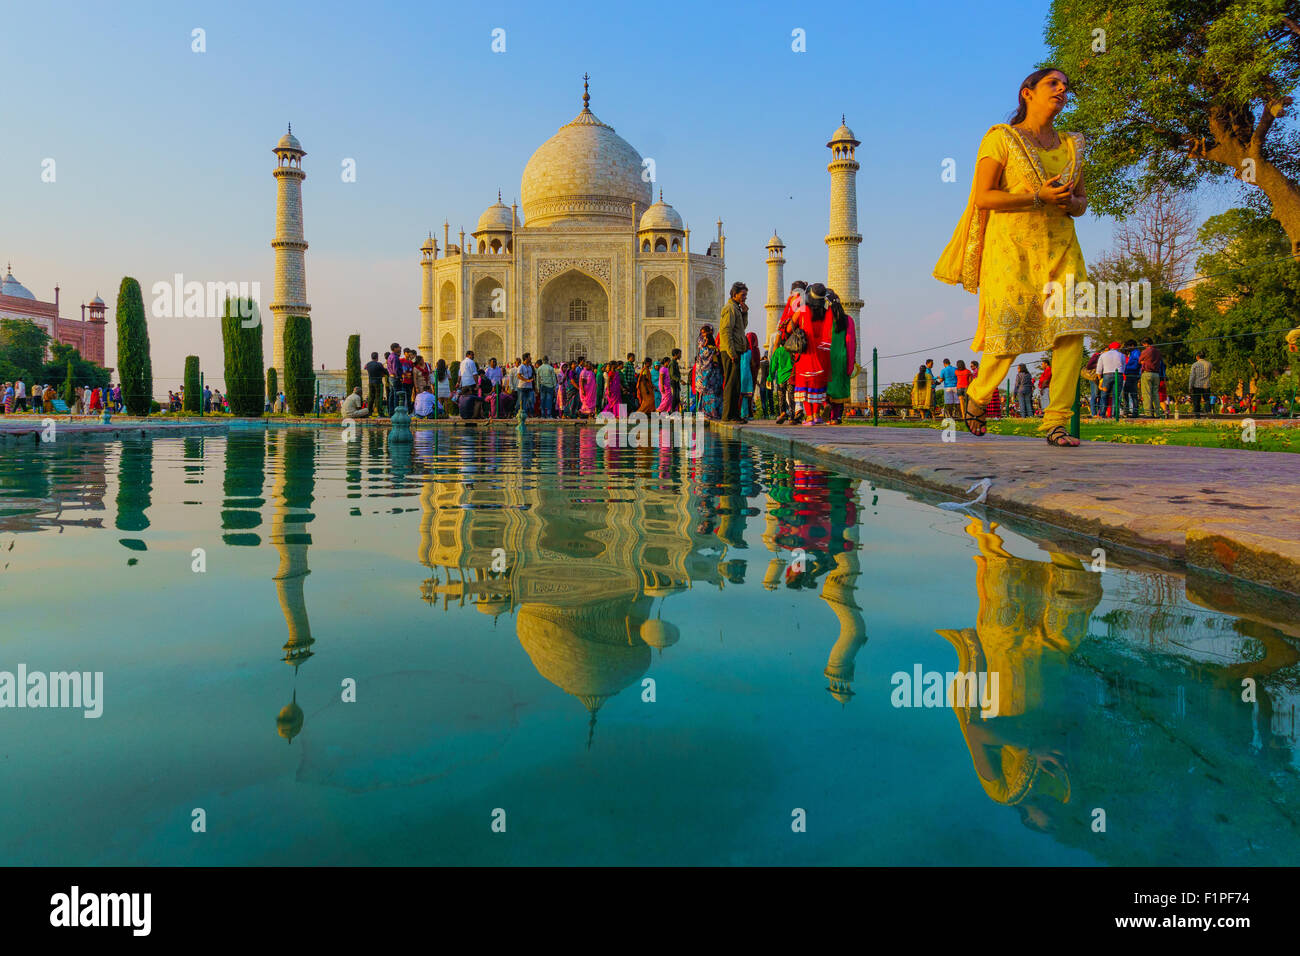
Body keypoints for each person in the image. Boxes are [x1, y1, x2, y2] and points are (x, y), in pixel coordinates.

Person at [935, 66, 1095, 446]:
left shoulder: (1073, 144)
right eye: (1052, 83)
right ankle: (975, 396)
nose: (1061, 89)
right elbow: (984, 197)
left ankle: (1056, 422)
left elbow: (1082, 202)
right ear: (1028, 92)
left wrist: (1069, 201)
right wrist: (1037, 196)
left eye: (1065, 85)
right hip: (1011, 250)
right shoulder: (1001, 139)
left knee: (1071, 330)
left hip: (1062, 247)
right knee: (1010, 331)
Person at [791, 282, 832, 425]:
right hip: (822, 352)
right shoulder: (826, 312)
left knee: (806, 383)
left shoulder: (803, 310)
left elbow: (791, 324)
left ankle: (809, 417)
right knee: (818, 384)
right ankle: (817, 415)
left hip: (807, 352)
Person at [824, 291, 857, 424]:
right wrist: (851, 360)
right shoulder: (848, 320)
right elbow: (850, 342)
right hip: (842, 358)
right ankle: (836, 417)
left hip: (828, 357)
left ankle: (827, 406)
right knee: (840, 389)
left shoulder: (825, 319)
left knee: (828, 387)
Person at [719, 281, 749, 421]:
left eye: (745, 295)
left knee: (736, 384)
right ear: (735, 294)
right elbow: (725, 331)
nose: (744, 298)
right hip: (730, 351)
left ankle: (734, 415)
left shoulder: (736, 308)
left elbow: (742, 327)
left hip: (736, 350)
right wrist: (731, 352)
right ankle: (727, 416)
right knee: (731, 384)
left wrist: (745, 313)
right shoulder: (730, 308)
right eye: (743, 295)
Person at [694, 325, 723, 420]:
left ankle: (714, 413)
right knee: (707, 395)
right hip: (707, 376)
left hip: (714, 377)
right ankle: (707, 413)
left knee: (714, 395)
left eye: (705, 333)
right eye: (702, 333)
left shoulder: (713, 348)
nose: (703, 336)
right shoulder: (705, 348)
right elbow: (702, 359)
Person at [1096, 341, 1125, 418]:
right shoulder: (1121, 355)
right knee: (1116, 396)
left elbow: (1099, 368)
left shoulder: (1104, 355)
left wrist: (1100, 379)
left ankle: (1102, 413)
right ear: (1118, 348)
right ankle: (1115, 414)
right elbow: (1124, 367)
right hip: (1118, 375)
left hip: (1107, 375)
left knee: (1104, 395)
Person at [1189, 351, 1212, 418]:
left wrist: (1190, 386)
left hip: (1197, 385)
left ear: (1197, 357)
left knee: (1196, 401)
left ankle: (1197, 415)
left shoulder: (1195, 365)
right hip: (1206, 385)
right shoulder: (1209, 364)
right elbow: (1210, 374)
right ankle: (1208, 413)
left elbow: (1192, 376)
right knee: (1207, 400)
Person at [517, 353, 535, 420]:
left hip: (529, 387)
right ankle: (520, 415)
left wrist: (531, 381)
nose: (531, 358)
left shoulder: (529, 367)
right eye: (529, 357)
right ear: (526, 358)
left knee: (530, 401)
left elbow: (530, 376)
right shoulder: (521, 366)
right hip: (522, 387)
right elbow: (518, 375)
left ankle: (528, 414)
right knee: (521, 402)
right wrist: (526, 380)